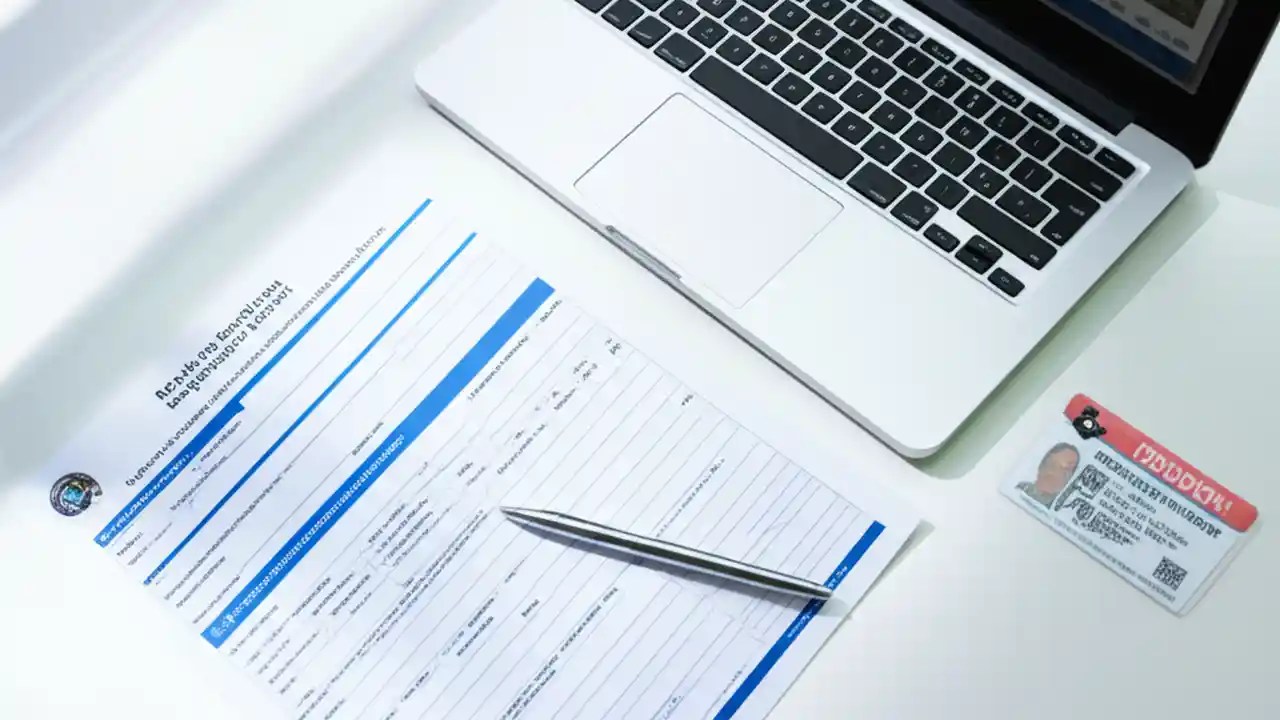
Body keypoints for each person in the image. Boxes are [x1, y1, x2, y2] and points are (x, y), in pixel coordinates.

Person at [1017, 442, 1080, 508]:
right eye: (1066, 467)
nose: (1067, 473)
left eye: (1072, 469)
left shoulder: (1058, 506)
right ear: (1045, 461)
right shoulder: (1020, 489)